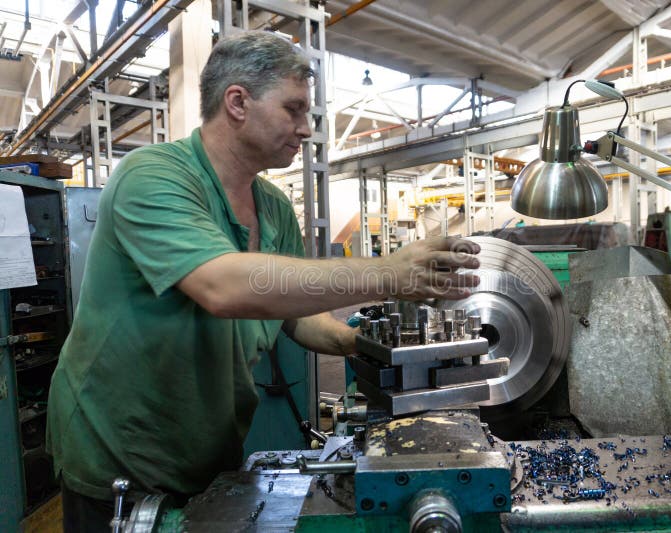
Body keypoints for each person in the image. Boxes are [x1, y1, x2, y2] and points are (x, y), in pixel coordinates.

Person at [46, 31, 481, 532]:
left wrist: (366, 347)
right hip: (119, 458)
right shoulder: (152, 177)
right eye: (293, 110)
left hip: (208, 449)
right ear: (237, 102)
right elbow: (224, 287)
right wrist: (389, 272)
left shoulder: (272, 206)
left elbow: (294, 315)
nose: (306, 129)